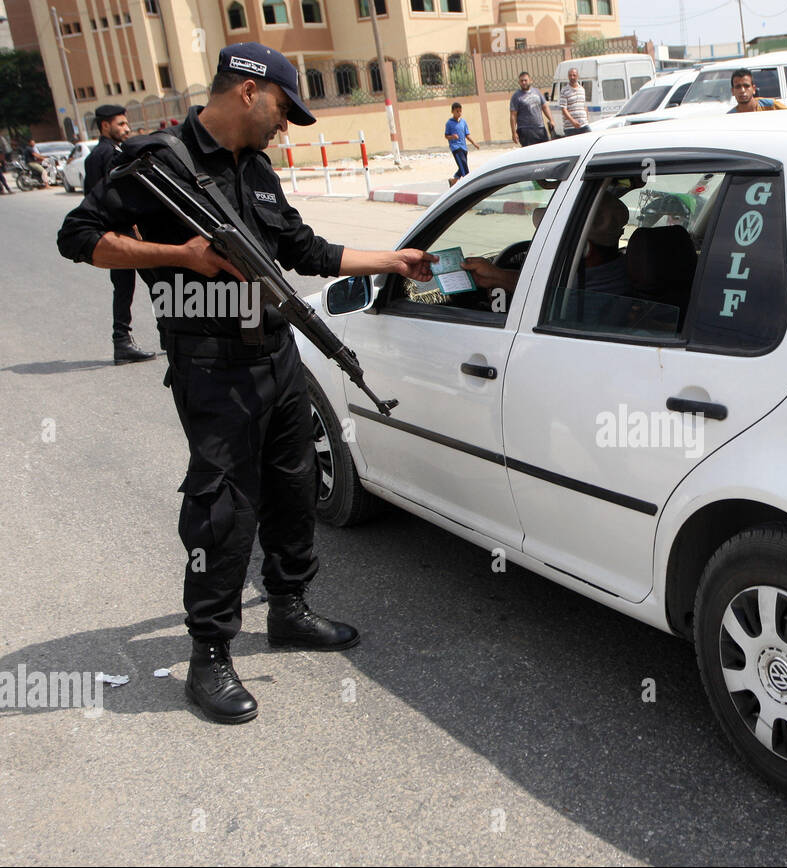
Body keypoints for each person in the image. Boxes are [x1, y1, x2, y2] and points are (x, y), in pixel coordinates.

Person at [57, 42, 436, 725]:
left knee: (294, 487)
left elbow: (302, 249)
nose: (285, 125)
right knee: (222, 509)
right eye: (283, 110)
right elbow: (78, 238)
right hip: (209, 365)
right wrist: (180, 258)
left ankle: (288, 609)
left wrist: (392, 260)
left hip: (277, 354)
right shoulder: (152, 163)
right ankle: (209, 653)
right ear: (247, 93)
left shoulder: (257, 168)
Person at [85, 104, 155, 365]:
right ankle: (124, 343)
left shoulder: (102, 154)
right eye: (121, 124)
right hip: (122, 231)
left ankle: (131, 340)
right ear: (105, 126)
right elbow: (110, 196)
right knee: (154, 281)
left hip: (117, 231)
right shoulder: (105, 155)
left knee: (132, 286)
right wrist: (132, 228)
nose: (126, 128)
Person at [464, 191, 629, 295]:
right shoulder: (622, 269)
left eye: (559, 237)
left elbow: (545, 291)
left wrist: (496, 275)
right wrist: (494, 277)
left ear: (585, 249)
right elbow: (546, 286)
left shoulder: (582, 292)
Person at [510, 71, 555, 147]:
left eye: (525, 80)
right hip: (525, 130)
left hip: (540, 128)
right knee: (530, 153)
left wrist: (551, 120)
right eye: (521, 81)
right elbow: (513, 115)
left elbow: (544, 106)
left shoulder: (537, 92)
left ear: (530, 81)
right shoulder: (516, 96)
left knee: (545, 150)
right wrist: (514, 133)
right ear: (519, 82)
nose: (524, 82)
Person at [444, 101, 479, 187]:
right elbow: (446, 136)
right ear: (452, 111)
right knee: (464, 165)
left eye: (460, 111)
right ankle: (469, 183)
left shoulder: (463, 122)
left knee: (462, 166)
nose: (459, 113)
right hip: (456, 148)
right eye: (457, 111)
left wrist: (474, 143)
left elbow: (467, 135)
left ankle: (453, 181)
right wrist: (452, 137)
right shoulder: (449, 123)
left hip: (464, 148)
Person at [558, 68, 591, 135]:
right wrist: (573, 121)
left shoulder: (582, 89)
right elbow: (563, 109)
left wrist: (586, 120)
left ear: (577, 76)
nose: (572, 77)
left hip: (584, 125)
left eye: (574, 75)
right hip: (570, 128)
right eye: (570, 75)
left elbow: (584, 106)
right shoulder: (564, 90)